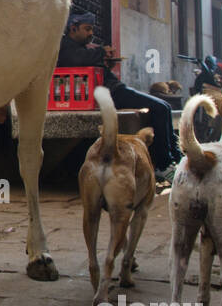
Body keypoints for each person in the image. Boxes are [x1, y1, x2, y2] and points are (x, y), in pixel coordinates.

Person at [58, 11, 182, 184]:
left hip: (114, 89)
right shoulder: (65, 46)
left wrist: (104, 60)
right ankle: (163, 164)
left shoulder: (82, 48)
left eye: (91, 29)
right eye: (87, 29)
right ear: (73, 28)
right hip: (110, 93)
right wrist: (101, 53)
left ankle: (175, 156)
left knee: (165, 106)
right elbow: (75, 59)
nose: (90, 33)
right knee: (160, 108)